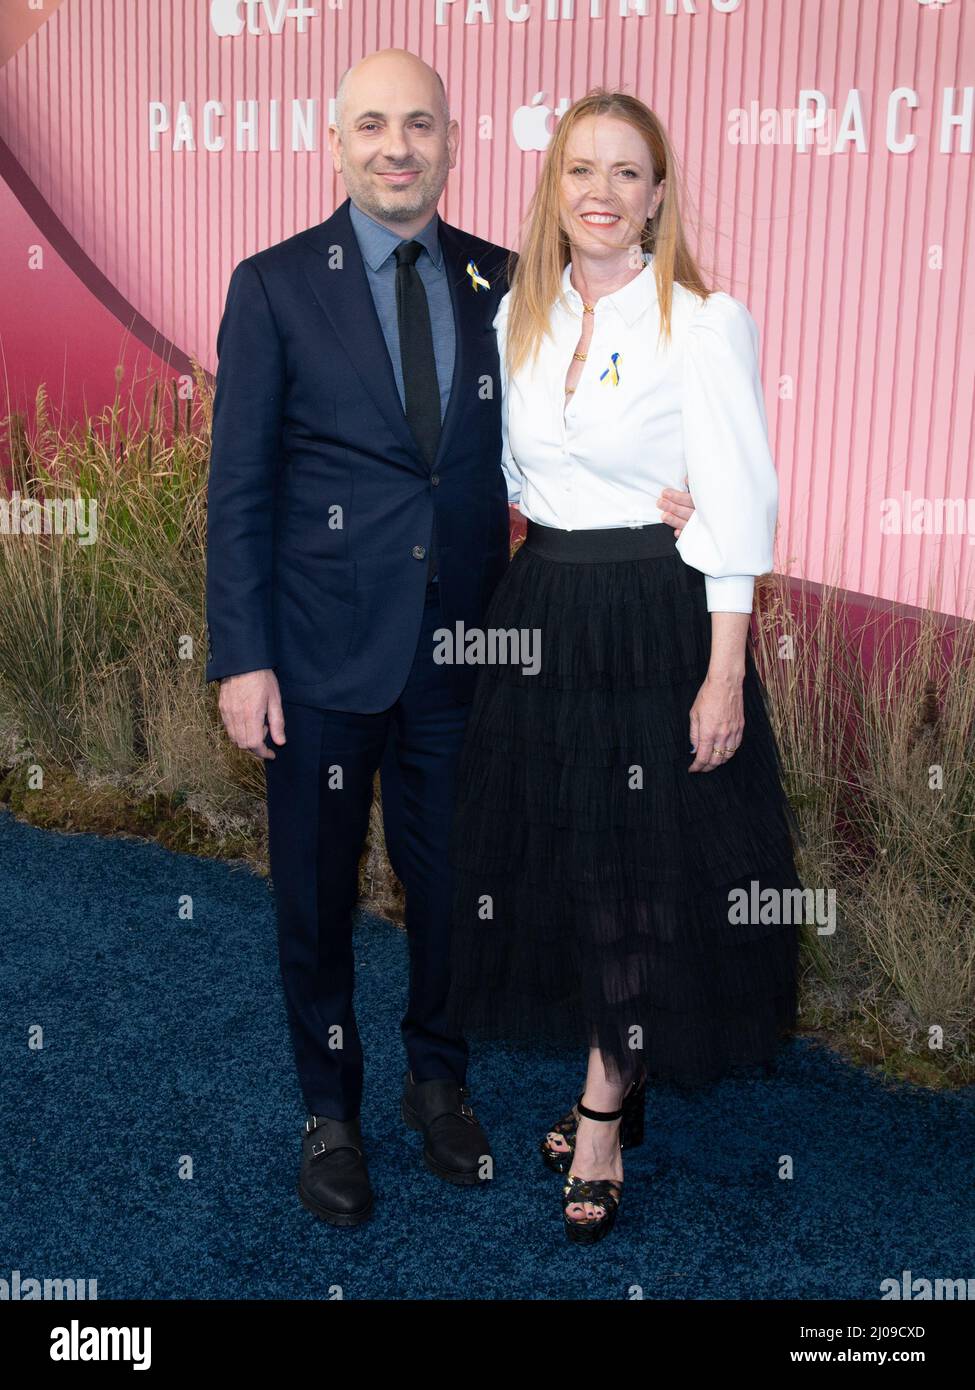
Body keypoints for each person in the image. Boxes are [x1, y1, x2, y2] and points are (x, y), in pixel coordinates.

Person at [204, 48, 701, 1226]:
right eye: (372, 123)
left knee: (454, 893)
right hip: (318, 660)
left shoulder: (506, 280)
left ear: (453, 141)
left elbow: (582, 414)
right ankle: (331, 1113)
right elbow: (240, 493)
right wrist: (242, 654)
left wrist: (674, 496)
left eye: (419, 124)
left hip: (468, 663)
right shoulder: (274, 284)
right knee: (317, 899)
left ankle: (441, 1081)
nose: (397, 145)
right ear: (335, 142)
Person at [445, 90, 806, 1246]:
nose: (602, 192)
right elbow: (505, 473)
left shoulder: (701, 320)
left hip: (654, 619)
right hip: (542, 604)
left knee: (641, 867)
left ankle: (603, 1109)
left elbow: (741, 500)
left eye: (628, 174)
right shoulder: (516, 314)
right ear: (555, 184)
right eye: (582, 168)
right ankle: (621, 1060)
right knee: (568, 865)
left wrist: (723, 671)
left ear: (659, 196)